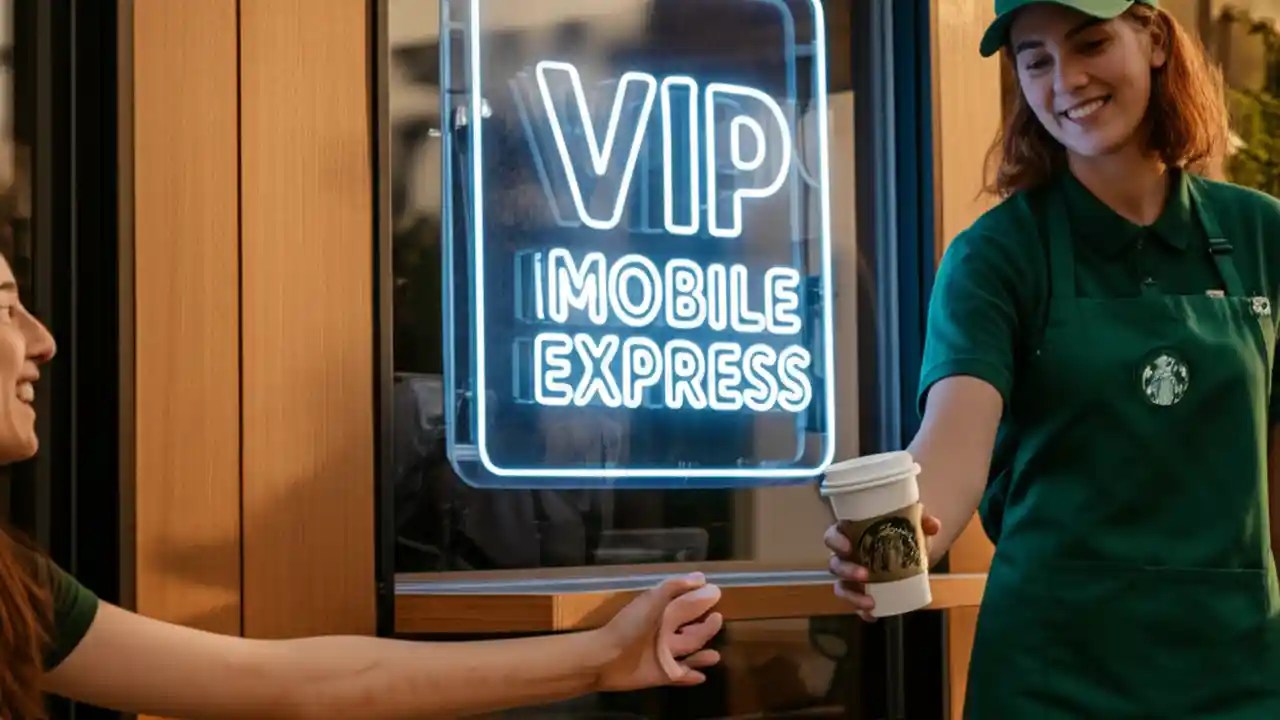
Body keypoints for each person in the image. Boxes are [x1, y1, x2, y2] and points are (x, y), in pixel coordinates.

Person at [0, 254, 724, 719]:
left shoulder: (15, 585)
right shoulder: (418, 416)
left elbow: (294, 682)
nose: (42, 339)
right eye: (5, 307)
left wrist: (600, 657)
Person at [825, 0, 1280, 715]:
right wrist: (893, 537)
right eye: (1035, 60)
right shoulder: (996, 256)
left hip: (1237, 671)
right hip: (1050, 673)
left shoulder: (1263, 236)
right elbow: (951, 448)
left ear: (1154, 39)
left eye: (1090, 43)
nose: (1065, 80)